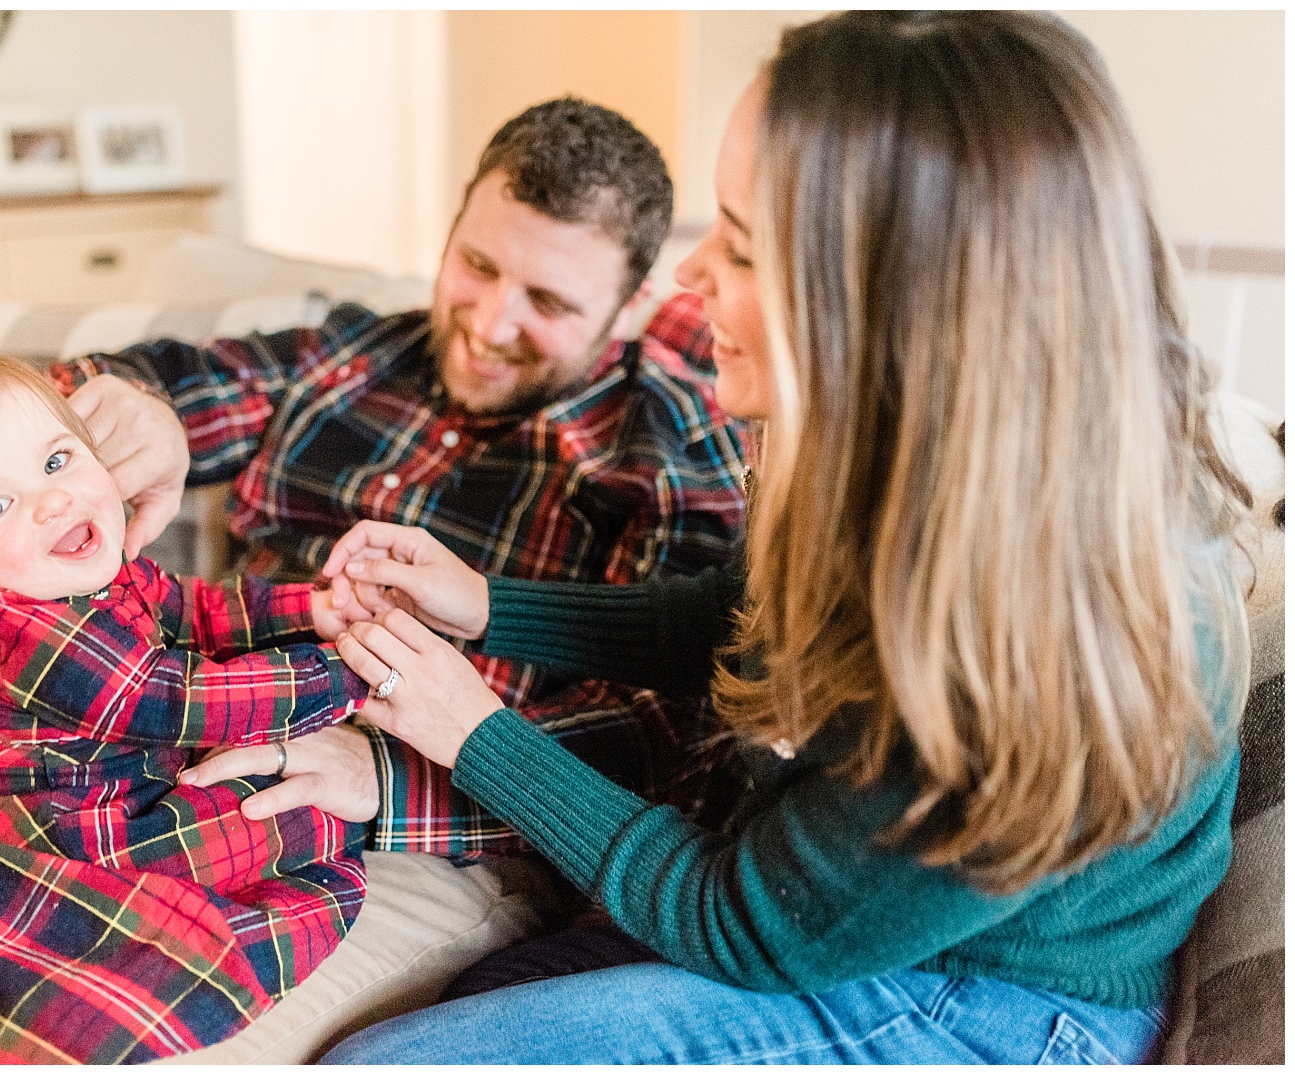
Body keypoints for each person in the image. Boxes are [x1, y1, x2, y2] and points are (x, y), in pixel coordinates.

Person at [304, 10, 1253, 1064]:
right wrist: (490, 605)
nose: (690, 275)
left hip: (995, 1002)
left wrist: (470, 729)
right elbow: (737, 622)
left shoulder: (1041, 636)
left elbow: (748, 921)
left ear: (897, 304)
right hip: (844, 924)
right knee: (490, 989)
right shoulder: (876, 446)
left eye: (744, 247)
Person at [59, 96, 751, 859]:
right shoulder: (348, 355)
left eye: (547, 301)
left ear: (629, 305)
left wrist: (386, 776)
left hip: (413, 827)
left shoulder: (663, 449)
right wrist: (144, 410)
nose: (488, 324)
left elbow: (664, 729)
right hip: (174, 733)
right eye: (477, 266)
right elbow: (139, 382)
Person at [0, 357, 375, 1063]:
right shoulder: (29, 630)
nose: (53, 501)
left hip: (87, 772)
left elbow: (193, 607)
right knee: (293, 819)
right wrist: (343, 673)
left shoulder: (91, 567)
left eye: (58, 460)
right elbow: (179, 698)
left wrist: (310, 605)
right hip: (54, 831)